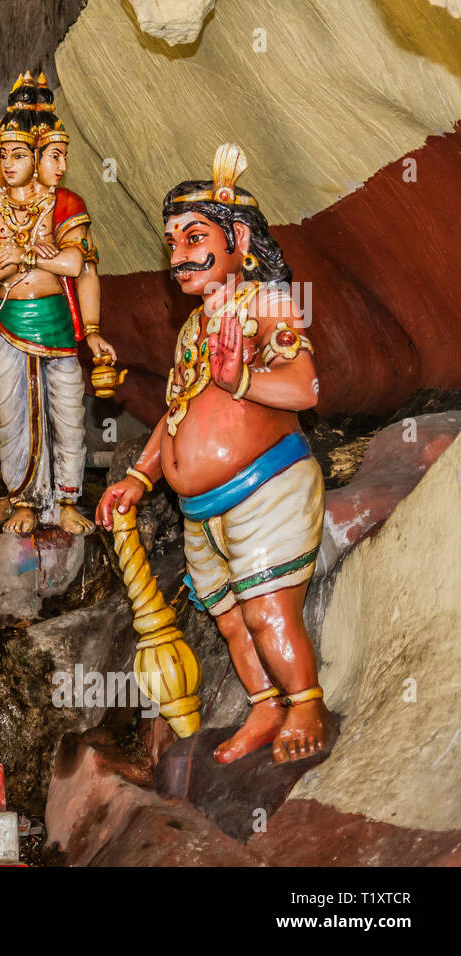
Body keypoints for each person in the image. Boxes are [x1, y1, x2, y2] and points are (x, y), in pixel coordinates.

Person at [95, 143, 333, 765]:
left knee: (263, 611)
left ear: (241, 244)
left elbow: (306, 387)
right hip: (200, 507)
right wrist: (140, 479)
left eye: (194, 237)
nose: (179, 256)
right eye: (171, 242)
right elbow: (175, 412)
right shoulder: (193, 328)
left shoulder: (267, 304)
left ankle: (305, 701)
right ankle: (264, 705)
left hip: (266, 486)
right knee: (230, 620)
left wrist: (242, 381)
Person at [0, 73, 115, 535]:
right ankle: (25, 501)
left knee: (67, 415)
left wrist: (92, 330)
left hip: (56, 324)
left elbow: (80, 265)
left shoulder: (66, 204)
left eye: (17, 156)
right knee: (13, 417)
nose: (6, 165)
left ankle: (68, 499)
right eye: (0, 156)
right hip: (4, 324)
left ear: (41, 157)